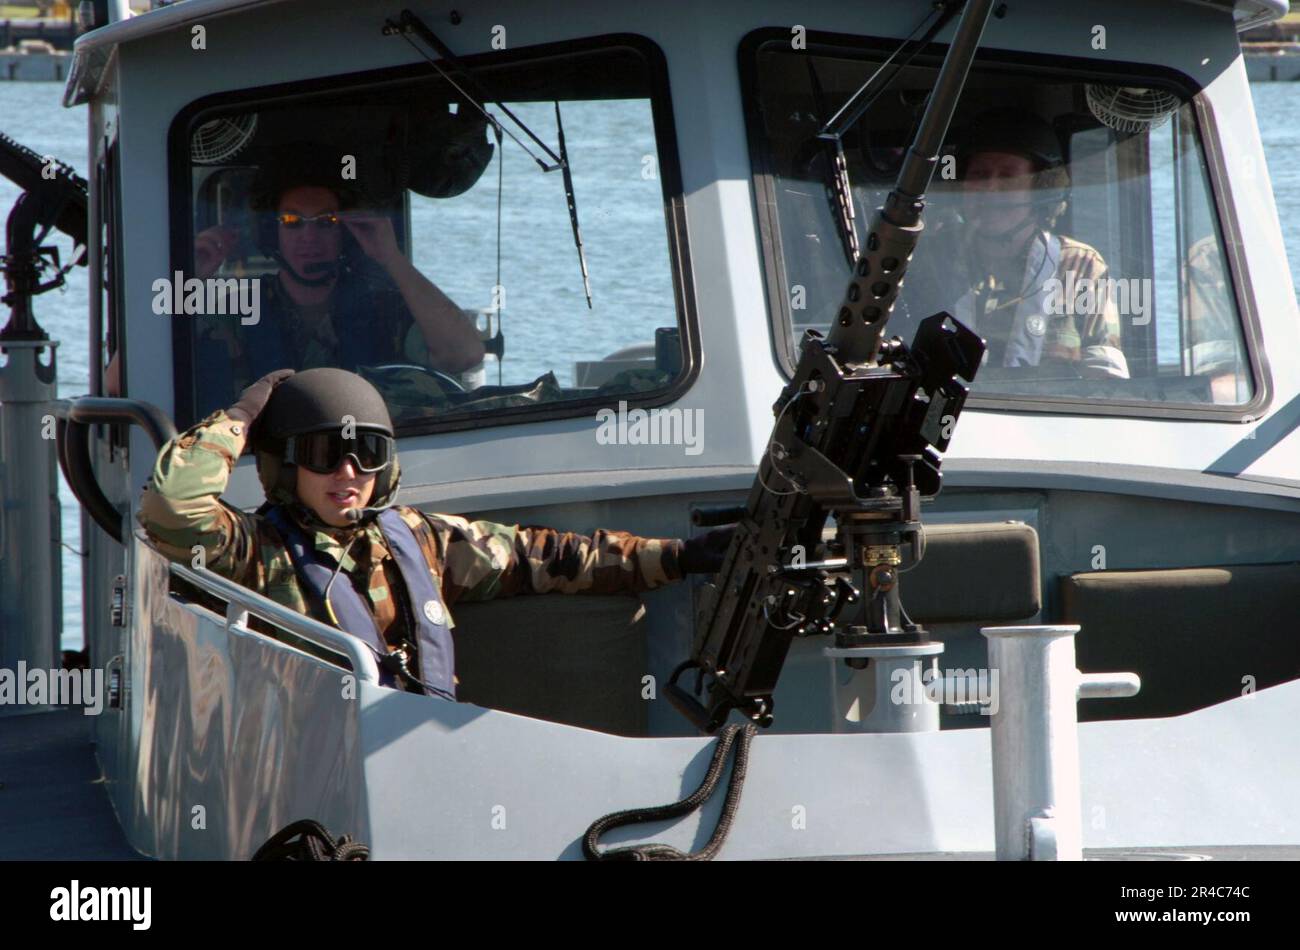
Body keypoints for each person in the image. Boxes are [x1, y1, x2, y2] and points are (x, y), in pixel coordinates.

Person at [136, 368, 731, 698]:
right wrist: (239, 418)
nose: (348, 473)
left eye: (365, 453)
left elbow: (548, 556)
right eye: (322, 454)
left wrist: (682, 555)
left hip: (425, 751)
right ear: (285, 466)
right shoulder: (253, 555)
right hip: (314, 773)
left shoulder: (419, 541)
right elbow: (171, 508)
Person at [193, 162, 485, 400]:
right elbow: (158, 346)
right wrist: (194, 271)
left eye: (326, 222)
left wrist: (391, 258)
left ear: (345, 234)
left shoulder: (384, 309)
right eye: (292, 222)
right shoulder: (237, 309)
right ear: (272, 233)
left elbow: (464, 355)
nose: (309, 237)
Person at [908, 110, 1129, 380]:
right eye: (980, 175)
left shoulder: (1080, 267)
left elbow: (1106, 379)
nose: (990, 189)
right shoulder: (926, 259)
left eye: (1007, 177)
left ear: (1042, 188)